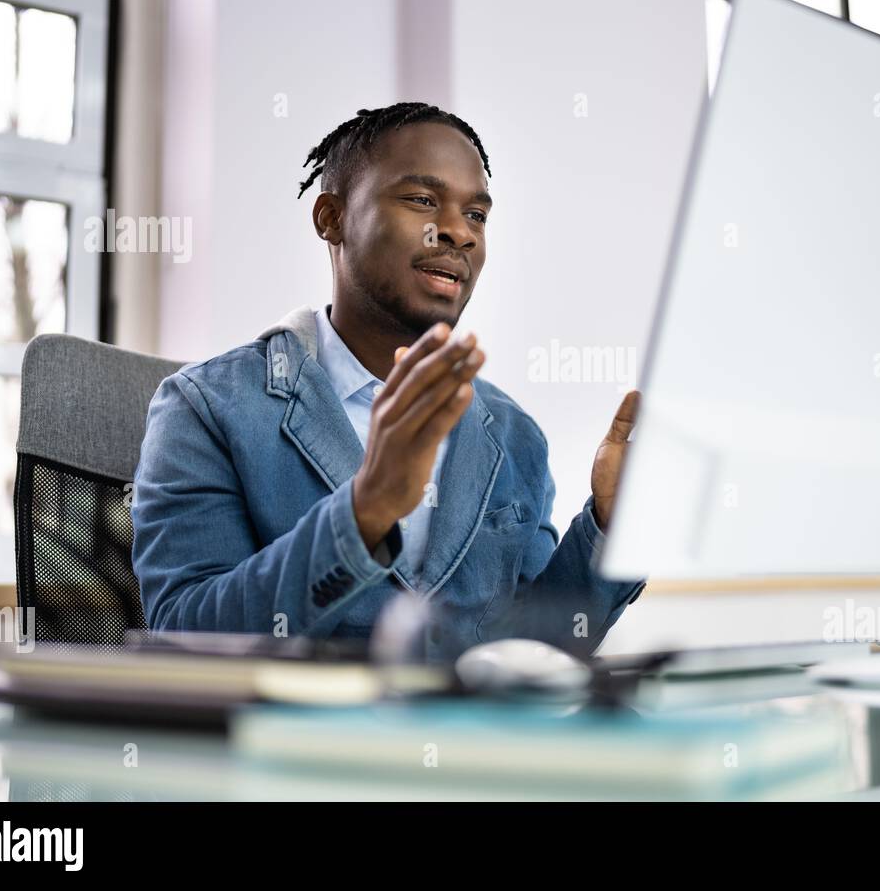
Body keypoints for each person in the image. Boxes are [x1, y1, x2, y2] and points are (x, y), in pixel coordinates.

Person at [131, 102, 646, 662]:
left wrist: (611, 527)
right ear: (332, 218)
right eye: (423, 201)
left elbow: (533, 652)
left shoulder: (514, 433)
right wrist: (365, 511)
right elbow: (187, 637)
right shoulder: (207, 408)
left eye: (477, 215)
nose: (457, 232)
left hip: (474, 746)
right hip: (298, 741)